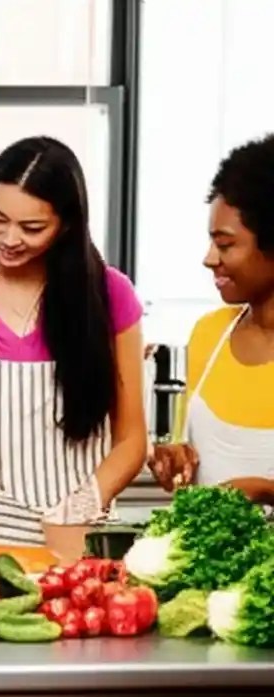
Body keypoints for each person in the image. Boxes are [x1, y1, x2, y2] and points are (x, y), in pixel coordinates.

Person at [0, 136, 147, 549]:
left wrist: (87, 501)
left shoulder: (109, 295)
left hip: (76, 531)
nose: (9, 238)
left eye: (32, 228)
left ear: (67, 225)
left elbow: (131, 441)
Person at [148, 134, 274, 505]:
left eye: (225, 244)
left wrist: (264, 491)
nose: (209, 258)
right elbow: (183, 453)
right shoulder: (209, 334)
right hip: (211, 564)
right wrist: (172, 456)